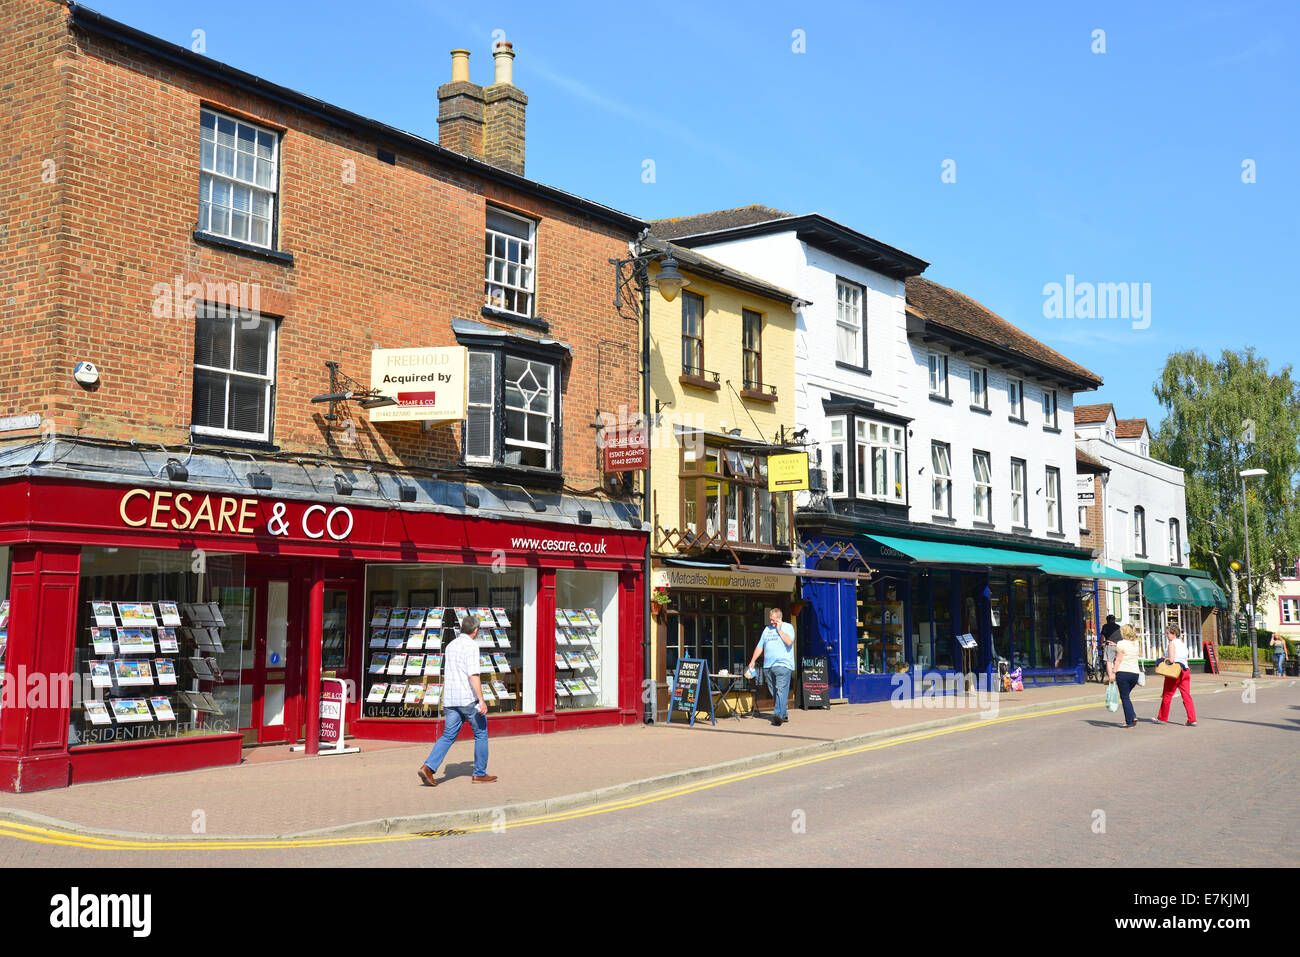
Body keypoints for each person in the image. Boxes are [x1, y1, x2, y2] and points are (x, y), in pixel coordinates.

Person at [418, 614, 496, 785]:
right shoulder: (472, 647)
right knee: (481, 733)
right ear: (475, 630)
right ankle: (480, 773)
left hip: (450, 699)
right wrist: (481, 700)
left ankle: (428, 767)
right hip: (468, 699)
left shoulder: (451, 645)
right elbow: (473, 675)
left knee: (448, 735)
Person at [746, 607, 795, 726]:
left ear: (780, 618)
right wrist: (753, 660)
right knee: (775, 691)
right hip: (768, 666)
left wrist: (779, 630)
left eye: (773, 620)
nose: (771, 622)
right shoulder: (766, 630)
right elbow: (760, 646)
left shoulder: (788, 627)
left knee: (781, 690)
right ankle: (783, 714)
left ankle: (777, 715)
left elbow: (789, 642)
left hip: (783, 665)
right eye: (770, 620)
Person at [1155, 623, 1197, 726]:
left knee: (1167, 695)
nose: (1166, 635)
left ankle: (1162, 718)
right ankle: (1192, 719)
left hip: (1174, 672)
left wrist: (1163, 659)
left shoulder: (1172, 644)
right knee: (1186, 696)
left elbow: (1172, 660)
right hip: (1185, 671)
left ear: (1174, 634)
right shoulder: (1182, 643)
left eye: (1168, 633)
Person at [1113, 623, 1142, 728]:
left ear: (1124, 632)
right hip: (1135, 674)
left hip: (1123, 673)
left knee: (1124, 697)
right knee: (1126, 697)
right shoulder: (1136, 643)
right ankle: (1132, 716)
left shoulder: (1121, 643)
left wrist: (1113, 672)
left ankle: (1129, 721)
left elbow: (1118, 659)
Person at [1100, 614, 1120, 681]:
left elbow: (1102, 637)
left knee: (1109, 661)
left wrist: (1100, 644)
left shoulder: (1105, 626)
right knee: (1117, 661)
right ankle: (1117, 677)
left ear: (1107, 620)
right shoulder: (1118, 626)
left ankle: (1111, 678)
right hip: (1118, 645)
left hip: (1110, 645)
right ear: (1114, 620)